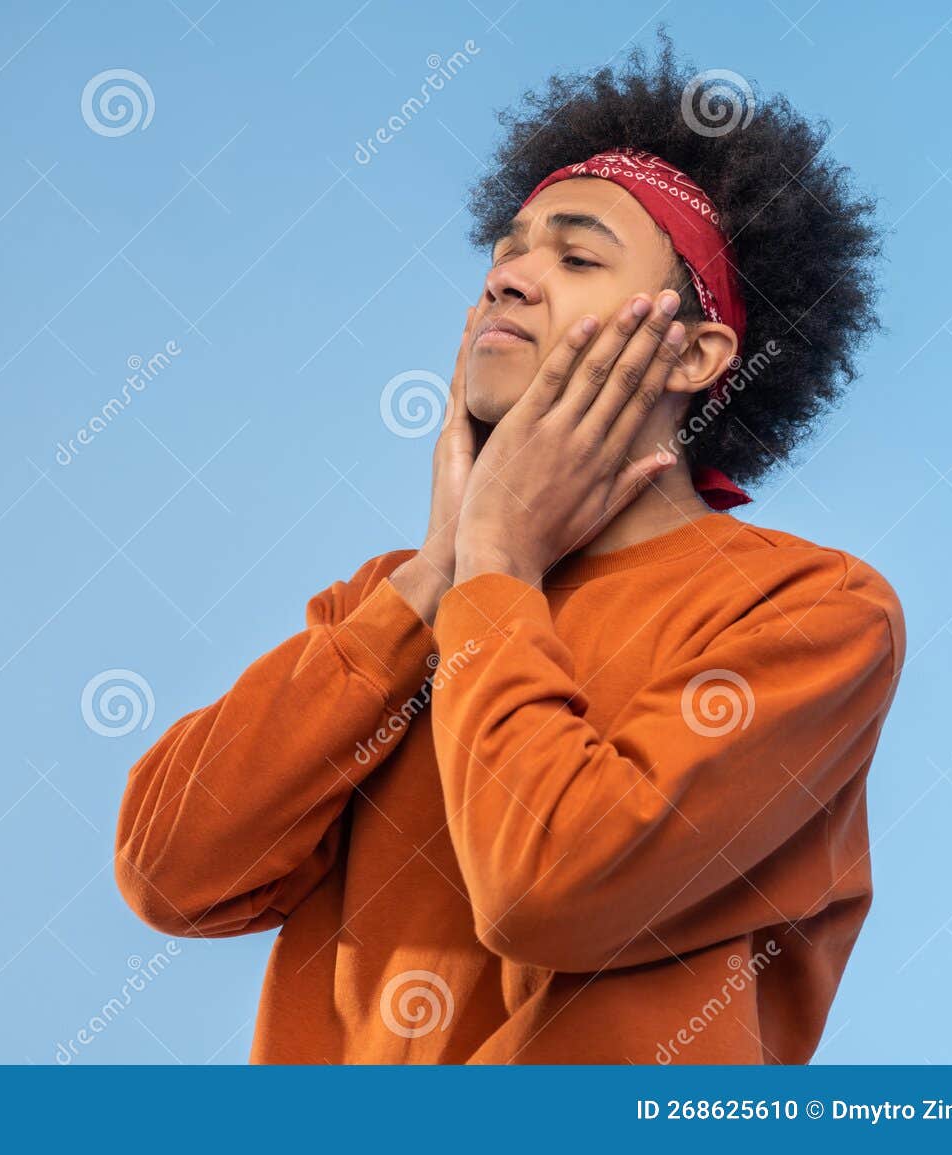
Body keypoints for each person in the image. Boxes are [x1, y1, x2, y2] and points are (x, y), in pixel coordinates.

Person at [113, 34, 904, 1064]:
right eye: (507, 254)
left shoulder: (809, 609)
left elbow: (554, 886)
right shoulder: (388, 604)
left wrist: (493, 565)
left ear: (697, 353)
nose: (511, 282)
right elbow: (173, 873)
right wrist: (429, 583)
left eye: (576, 258)